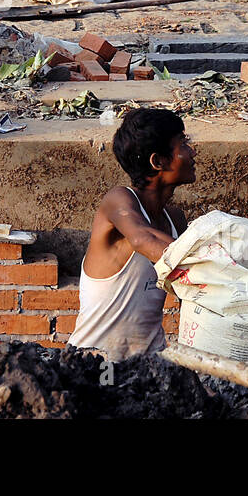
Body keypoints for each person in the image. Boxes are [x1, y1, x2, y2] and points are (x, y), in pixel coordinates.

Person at [67, 108, 192, 360]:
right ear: (158, 162)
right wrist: (215, 263)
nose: (192, 151)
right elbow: (142, 239)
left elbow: (190, 288)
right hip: (95, 363)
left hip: (147, 369)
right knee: (104, 390)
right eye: (183, 144)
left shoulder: (175, 219)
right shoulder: (118, 200)